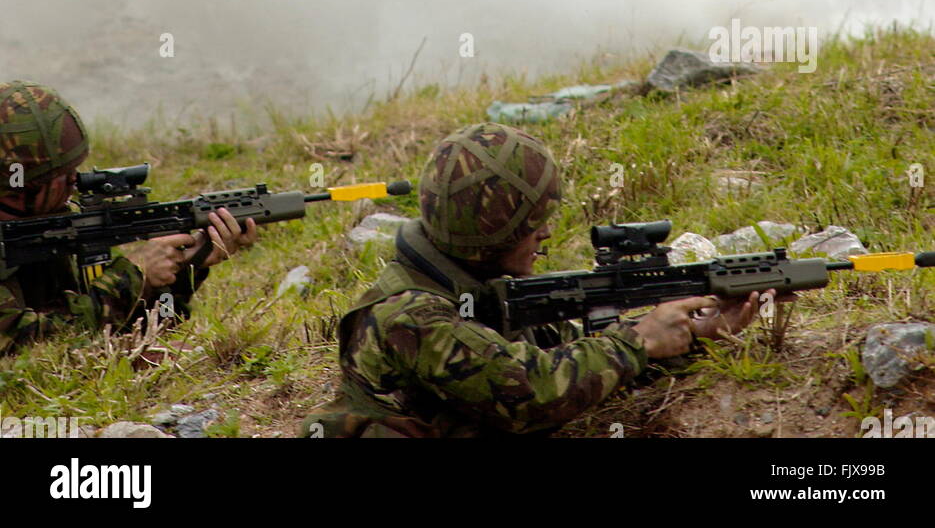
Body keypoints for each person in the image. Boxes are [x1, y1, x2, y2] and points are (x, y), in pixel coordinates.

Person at [308, 122, 769, 437]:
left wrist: (689, 335)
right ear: (489, 236)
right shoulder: (411, 315)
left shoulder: (471, 285)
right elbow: (529, 393)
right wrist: (638, 341)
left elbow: (568, 355)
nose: (546, 232)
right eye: (531, 224)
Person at [0, 80, 257, 354]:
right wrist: (131, 278)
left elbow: (113, 326)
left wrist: (186, 267)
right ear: (22, 186)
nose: (76, 180)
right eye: (63, 175)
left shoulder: (47, 224)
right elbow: (23, 347)